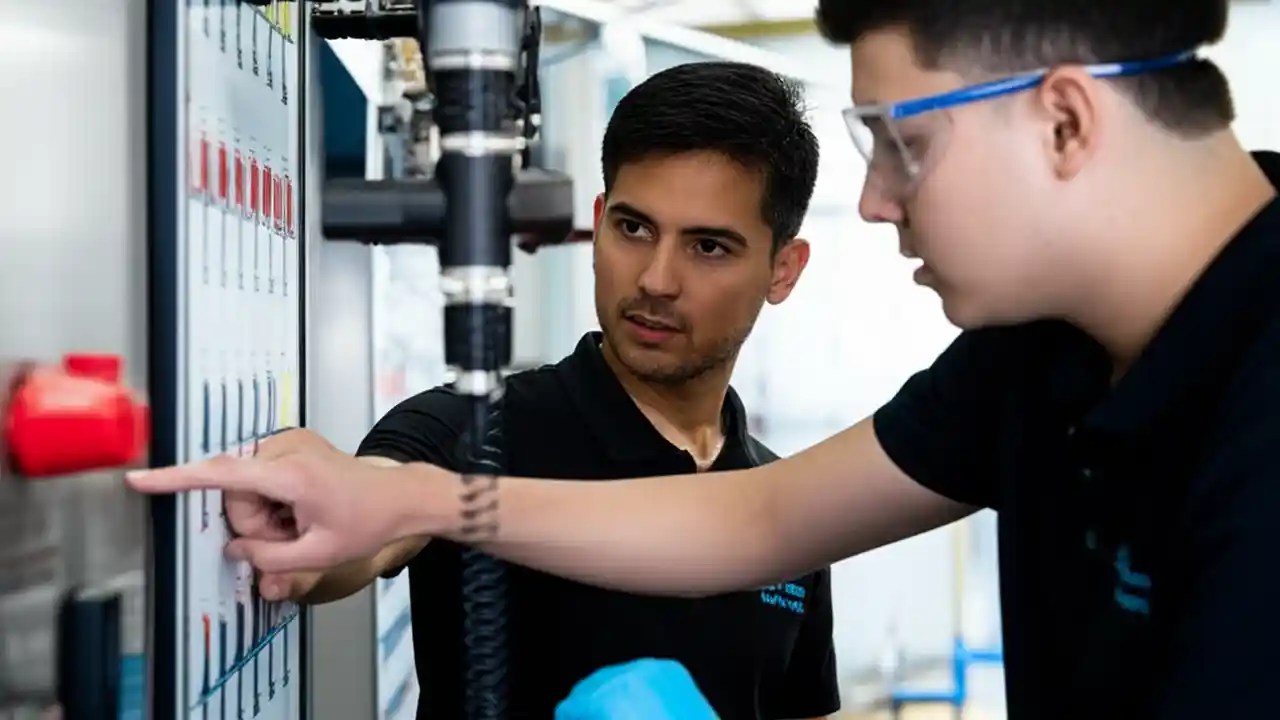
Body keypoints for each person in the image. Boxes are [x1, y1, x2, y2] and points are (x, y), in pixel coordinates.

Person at [128, 1, 1280, 717]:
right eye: (632, 229)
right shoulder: (1037, 356)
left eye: (903, 145)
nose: (876, 202)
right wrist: (401, 497)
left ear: (1065, 121)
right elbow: (759, 522)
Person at [234, 61, 837, 719]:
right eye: (634, 229)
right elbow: (362, 527)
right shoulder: (465, 433)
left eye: (709, 247)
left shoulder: (787, 509)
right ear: (600, 222)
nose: (657, 280)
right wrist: (306, 521)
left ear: (784, 269)